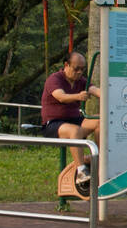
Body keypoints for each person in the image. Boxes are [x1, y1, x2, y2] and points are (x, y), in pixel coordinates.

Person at [41, 53, 101, 182]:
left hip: (75, 121)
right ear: (66, 65)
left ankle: (99, 160)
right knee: (74, 130)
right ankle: (81, 171)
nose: (79, 72)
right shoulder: (54, 79)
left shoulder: (82, 81)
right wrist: (78, 96)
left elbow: (96, 90)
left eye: (82, 69)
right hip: (54, 124)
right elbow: (61, 96)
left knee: (99, 120)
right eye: (76, 69)